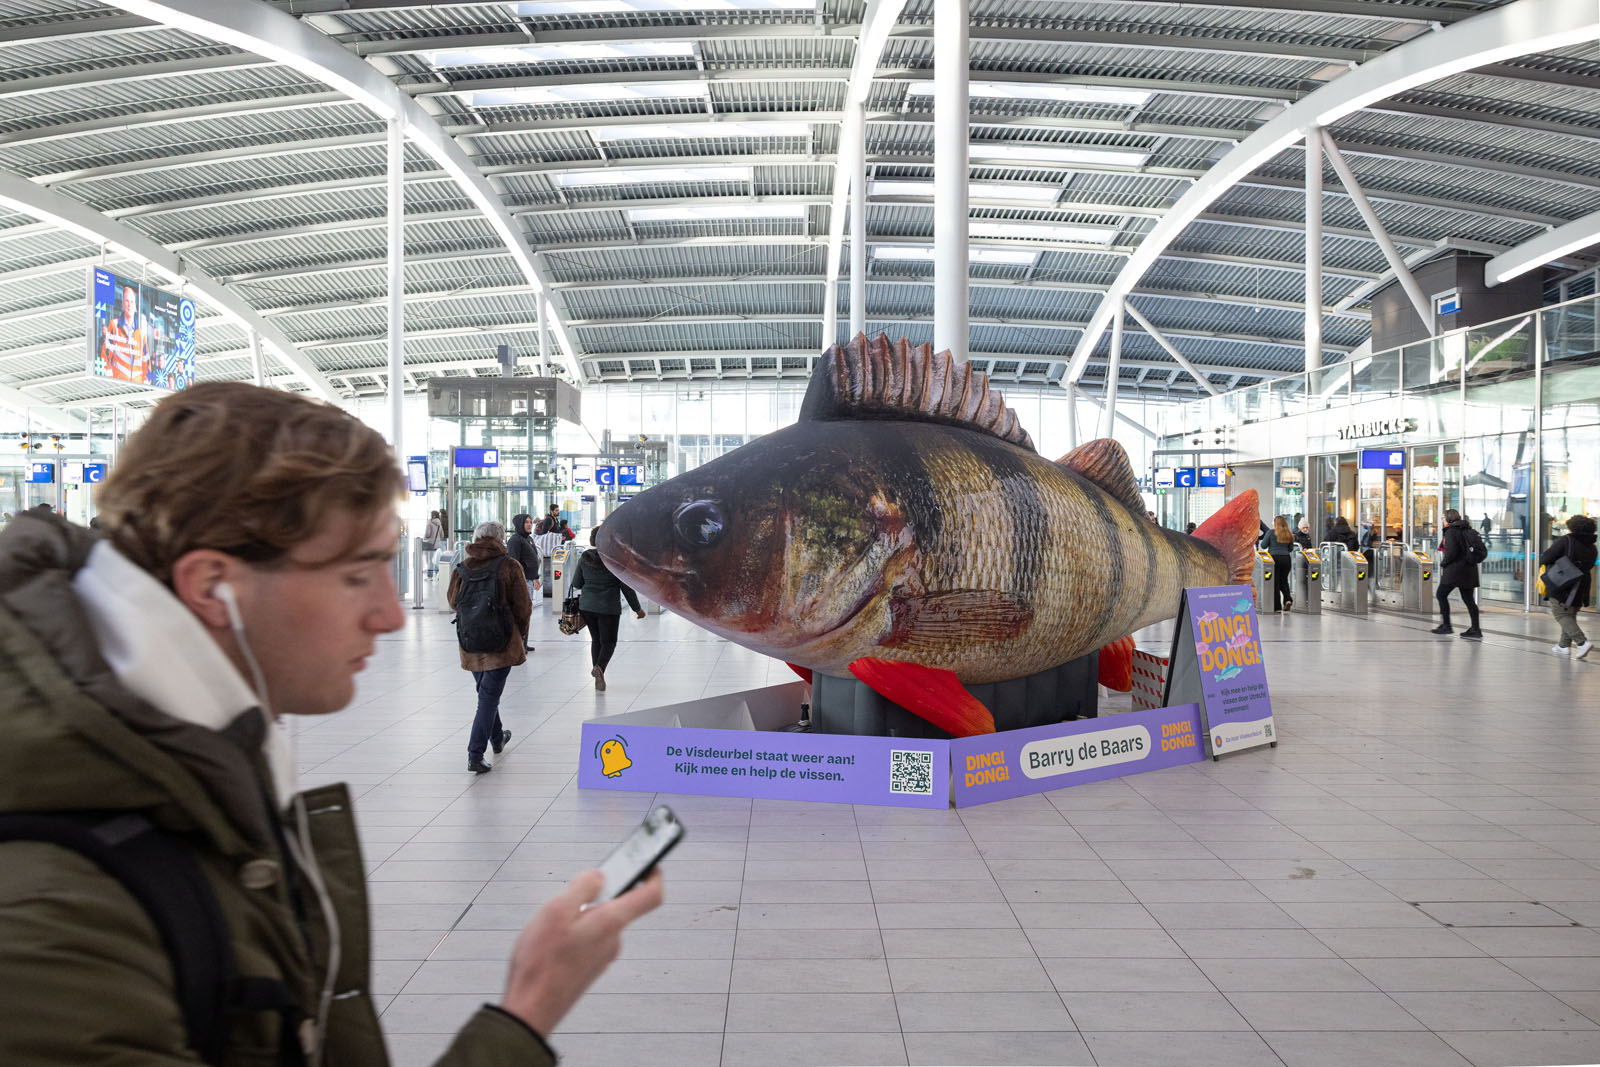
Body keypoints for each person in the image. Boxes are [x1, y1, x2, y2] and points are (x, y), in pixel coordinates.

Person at [0, 382, 661, 1065]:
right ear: (211, 586)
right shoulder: (54, 931)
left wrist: (529, 1000)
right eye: (356, 572)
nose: (391, 612)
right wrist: (522, 1022)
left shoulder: (191, 759)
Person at [448, 519, 533, 773]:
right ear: (500, 539)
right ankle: (475, 753)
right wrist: (521, 636)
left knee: (486, 694)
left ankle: (497, 738)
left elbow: (453, 602)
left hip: (471, 642)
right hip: (502, 643)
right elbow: (523, 607)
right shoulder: (509, 566)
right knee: (487, 698)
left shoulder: (463, 567)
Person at [572, 525, 644, 692]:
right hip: (608, 608)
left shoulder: (585, 557)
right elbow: (626, 587)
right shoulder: (615, 561)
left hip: (587, 607)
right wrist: (637, 609)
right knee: (609, 642)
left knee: (596, 640)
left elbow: (577, 583)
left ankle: (598, 670)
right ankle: (599, 668)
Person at [1542, 514, 1597, 659]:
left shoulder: (1566, 540)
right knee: (1570, 613)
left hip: (1563, 582)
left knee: (1560, 613)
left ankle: (1582, 642)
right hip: (1582, 583)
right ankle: (1563, 646)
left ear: (1572, 527)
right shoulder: (1592, 546)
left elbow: (1546, 557)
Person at [1433, 507, 1483, 639]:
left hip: (1455, 570)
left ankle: (1446, 625)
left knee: (1441, 594)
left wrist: (1443, 563)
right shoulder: (1468, 529)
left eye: (1443, 518)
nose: (1442, 520)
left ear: (1449, 519)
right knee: (1469, 600)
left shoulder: (1451, 532)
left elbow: (1451, 553)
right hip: (1469, 570)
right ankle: (1476, 629)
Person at [507, 511, 543, 608]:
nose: (529, 525)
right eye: (526, 522)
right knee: (521, 609)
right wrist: (520, 581)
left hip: (529, 580)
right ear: (520, 524)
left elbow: (532, 559)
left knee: (526, 608)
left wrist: (535, 577)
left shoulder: (528, 539)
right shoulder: (515, 540)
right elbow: (513, 563)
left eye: (530, 522)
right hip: (522, 580)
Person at [1265, 515, 1296, 612]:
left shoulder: (1270, 532)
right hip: (1286, 559)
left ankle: (1277, 606)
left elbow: (1263, 544)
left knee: (1275, 583)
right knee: (1284, 580)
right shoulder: (1289, 534)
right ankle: (1287, 599)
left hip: (1274, 559)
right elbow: (1290, 549)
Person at [422, 508, 446, 577]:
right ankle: (436, 574)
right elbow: (442, 535)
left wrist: (425, 537)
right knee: (435, 559)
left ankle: (430, 575)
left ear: (432, 515)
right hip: (437, 544)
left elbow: (427, 534)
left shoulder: (429, 523)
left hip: (430, 544)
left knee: (429, 559)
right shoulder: (439, 524)